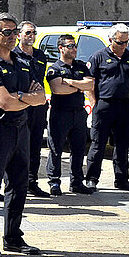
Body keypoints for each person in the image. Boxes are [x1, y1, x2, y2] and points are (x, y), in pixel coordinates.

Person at [0, 14, 47, 257]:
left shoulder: (22, 62)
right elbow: (5, 103)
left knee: (18, 186)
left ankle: (13, 237)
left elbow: (41, 97)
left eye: (15, 31)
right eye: (7, 32)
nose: (13, 36)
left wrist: (20, 97)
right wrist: (25, 98)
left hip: (21, 130)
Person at [85, 23, 129, 191]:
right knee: (98, 144)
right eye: (120, 42)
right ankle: (92, 179)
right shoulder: (98, 57)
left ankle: (122, 180)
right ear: (111, 40)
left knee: (123, 144)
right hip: (104, 105)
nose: (124, 45)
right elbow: (89, 83)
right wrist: (94, 103)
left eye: (126, 42)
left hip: (125, 105)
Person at [44, 33, 95, 195]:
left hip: (78, 113)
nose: (74, 49)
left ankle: (77, 182)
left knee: (79, 149)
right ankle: (54, 182)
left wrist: (71, 83)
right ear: (61, 48)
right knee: (56, 149)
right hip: (60, 114)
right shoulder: (55, 68)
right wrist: (80, 86)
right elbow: (57, 89)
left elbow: (90, 85)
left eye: (75, 46)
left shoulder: (81, 66)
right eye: (70, 46)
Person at [16, 21, 51, 197]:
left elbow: (39, 80)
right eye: (28, 33)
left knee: (35, 144)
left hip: (38, 106)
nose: (31, 36)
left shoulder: (40, 55)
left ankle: (32, 181)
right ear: (19, 35)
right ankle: (15, 183)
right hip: (21, 104)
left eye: (34, 33)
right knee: (17, 146)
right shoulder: (13, 55)